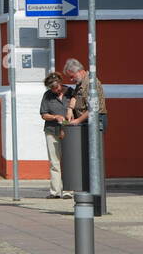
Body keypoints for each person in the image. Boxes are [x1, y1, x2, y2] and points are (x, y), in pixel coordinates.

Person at [62, 56, 107, 196]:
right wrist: (70, 109)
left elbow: (94, 108)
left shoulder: (92, 83)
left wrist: (77, 121)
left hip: (95, 121)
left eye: (72, 76)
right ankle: (86, 189)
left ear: (80, 71)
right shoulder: (81, 83)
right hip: (85, 122)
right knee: (85, 156)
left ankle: (95, 192)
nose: (71, 80)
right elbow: (75, 96)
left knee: (93, 157)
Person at [39, 72, 75, 199]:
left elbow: (77, 110)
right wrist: (55, 117)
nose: (55, 90)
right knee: (54, 162)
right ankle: (55, 192)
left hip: (69, 131)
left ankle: (68, 191)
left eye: (57, 87)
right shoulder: (47, 95)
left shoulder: (71, 92)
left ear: (60, 82)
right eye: (52, 88)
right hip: (51, 130)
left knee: (69, 161)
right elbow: (43, 114)